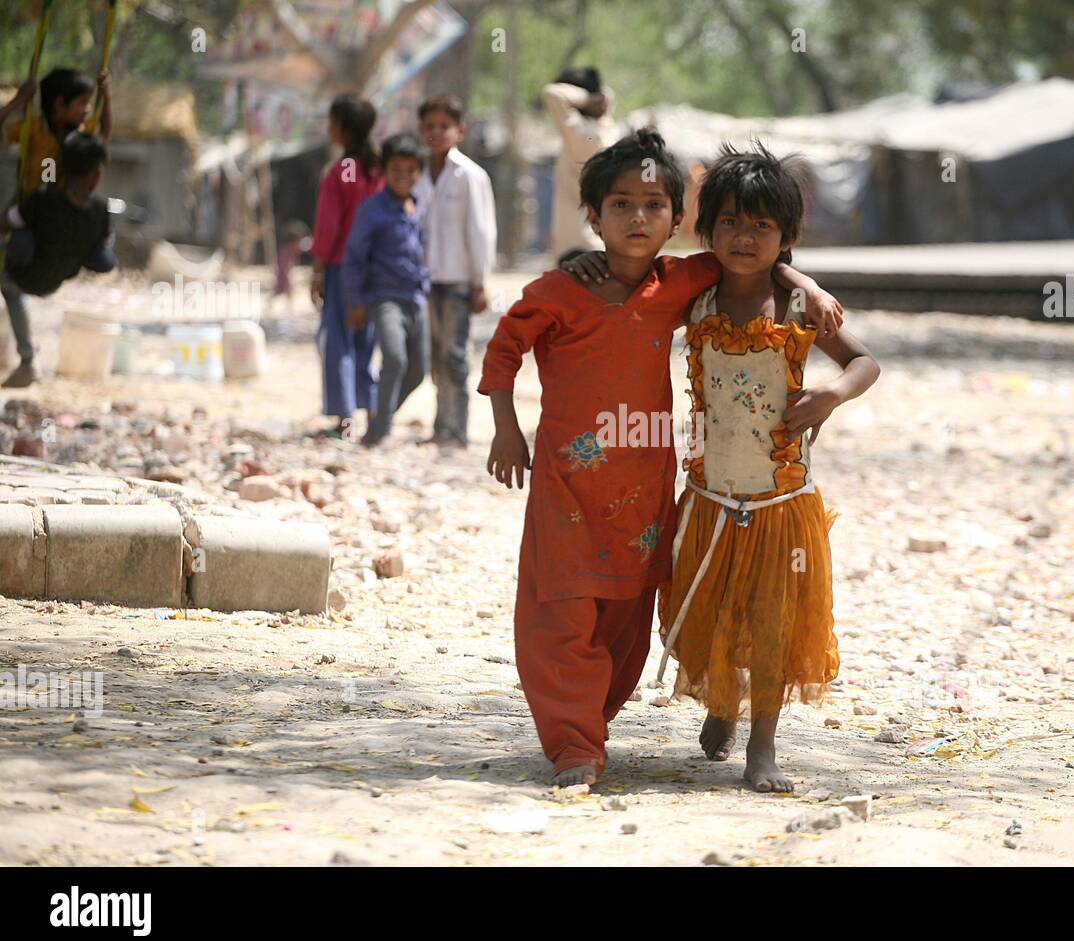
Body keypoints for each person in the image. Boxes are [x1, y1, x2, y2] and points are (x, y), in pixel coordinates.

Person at [479, 129, 843, 788]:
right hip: (565, 485)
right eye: (620, 204)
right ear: (593, 215)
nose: (637, 218)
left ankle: (594, 720)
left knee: (626, 616)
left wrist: (804, 279)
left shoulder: (682, 281)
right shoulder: (562, 291)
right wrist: (506, 430)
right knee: (561, 611)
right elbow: (504, 348)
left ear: (678, 220)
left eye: (653, 206)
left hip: (647, 489)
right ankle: (575, 747)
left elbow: (754, 258)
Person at [653, 143, 879, 793]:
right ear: (706, 229)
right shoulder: (695, 297)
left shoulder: (801, 311)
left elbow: (865, 362)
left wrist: (832, 394)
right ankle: (722, 704)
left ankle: (764, 747)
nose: (744, 237)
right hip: (709, 496)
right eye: (729, 221)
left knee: (773, 623)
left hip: (781, 504)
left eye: (761, 226)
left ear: (786, 236)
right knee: (715, 612)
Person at [0, 68, 113, 387]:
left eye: (90, 104)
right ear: (59, 106)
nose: (88, 110)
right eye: (82, 104)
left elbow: (103, 138)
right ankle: (26, 358)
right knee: (14, 262)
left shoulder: (82, 135)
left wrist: (108, 97)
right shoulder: (33, 130)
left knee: (16, 271)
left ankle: (26, 356)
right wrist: (19, 101)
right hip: (33, 211)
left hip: (56, 217)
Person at [412, 95, 497, 448]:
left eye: (443, 126)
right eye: (429, 126)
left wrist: (480, 282)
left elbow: (481, 231)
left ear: (458, 131)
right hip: (424, 281)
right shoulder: (415, 175)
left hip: (459, 280)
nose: (436, 132)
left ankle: (457, 427)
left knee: (454, 353)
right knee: (433, 354)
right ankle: (440, 425)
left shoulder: (470, 177)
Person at [341, 133, 430, 448]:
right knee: (394, 358)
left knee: (419, 369)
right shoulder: (372, 209)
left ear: (420, 172)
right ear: (385, 171)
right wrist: (355, 302)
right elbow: (354, 258)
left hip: (416, 297)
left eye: (411, 170)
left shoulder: (418, 206)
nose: (403, 177)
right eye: (396, 170)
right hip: (384, 297)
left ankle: (382, 414)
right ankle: (380, 430)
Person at [310, 94, 383, 439]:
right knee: (365, 341)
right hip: (375, 267)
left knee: (338, 340)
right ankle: (371, 409)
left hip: (342, 267)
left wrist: (317, 269)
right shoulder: (379, 169)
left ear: (341, 127)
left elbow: (329, 226)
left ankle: (344, 417)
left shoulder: (343, 171)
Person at [0, 132, 116, 328]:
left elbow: (6, 223)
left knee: (17, 235)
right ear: (97, 175)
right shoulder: (100, 209)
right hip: (56, 280)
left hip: (22, 276)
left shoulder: (45, 198)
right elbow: (103, 251)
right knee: (104, 255)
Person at [541, 67, 617, 262]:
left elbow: (552, 93)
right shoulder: (604, 131)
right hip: (593, 246)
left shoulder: (583, 136)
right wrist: (597, 98)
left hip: (580, 250)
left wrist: (589, 100)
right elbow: (608, 97)